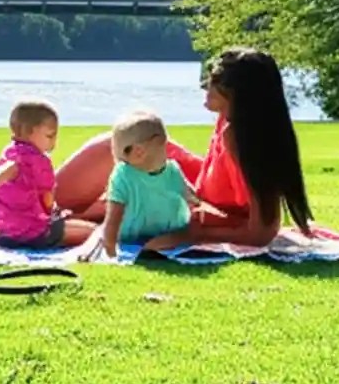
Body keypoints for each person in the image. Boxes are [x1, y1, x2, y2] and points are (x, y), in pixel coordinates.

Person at [53, 46, 314, 249]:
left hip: (202, 200)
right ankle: (44, 209)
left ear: (238, 92)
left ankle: (41, 212)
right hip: (199, 186)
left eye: (215, 80)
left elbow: (262, 231)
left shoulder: (242, 136)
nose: (206, 85)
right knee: (126, 138)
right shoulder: (231, 120)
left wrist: (193, 234)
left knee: (120, 150)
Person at [78, 111, 225, 260]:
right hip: (131, 235)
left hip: (172, 231)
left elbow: (193, 197)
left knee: (191, 231)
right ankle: (149, 247)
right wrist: (111, 252)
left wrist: (212, 213)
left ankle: (154, 246)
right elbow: (113, 216)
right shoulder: (123, 175)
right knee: (103, 232)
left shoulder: (172, 170)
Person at [0, 97, 94, 249]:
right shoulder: (23, 160)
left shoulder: (12, 153)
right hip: (34, 232)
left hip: (7, 230)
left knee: (73, 223)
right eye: (49, 135)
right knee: (94, 232)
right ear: (28, 132)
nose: (54, 142)